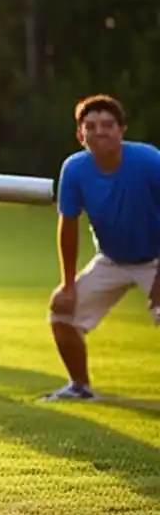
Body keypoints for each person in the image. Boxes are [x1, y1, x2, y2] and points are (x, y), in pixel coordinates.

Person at [45, 95, 160, 400]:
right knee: (61, 315)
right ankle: (79, 387)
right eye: (91, 127)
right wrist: (67, 285)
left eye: (108, 125)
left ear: (122, 130)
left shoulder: (150, 161)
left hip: (156, 258)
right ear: (80, 135)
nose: (100, 132)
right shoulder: (74, 169)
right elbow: (67, 227)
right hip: (112, 259)